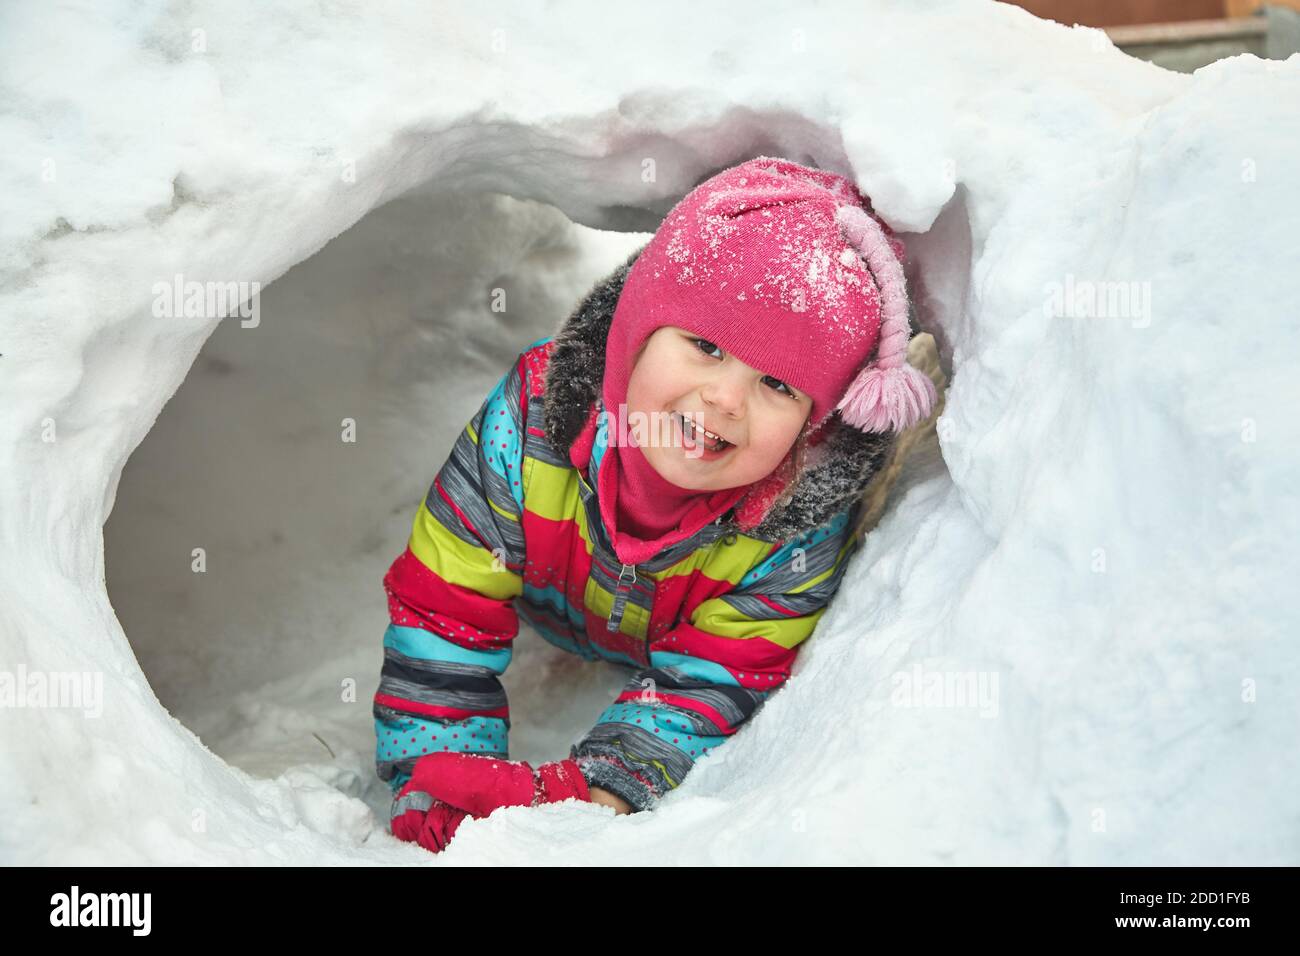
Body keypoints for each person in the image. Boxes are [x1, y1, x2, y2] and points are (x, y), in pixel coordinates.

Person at [374, 155, 938, 853]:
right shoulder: (528, 433)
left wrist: (594, 789)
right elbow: (446, 602)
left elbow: (711, 680)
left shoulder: (790, 531)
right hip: (556, 597)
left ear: (814, 427)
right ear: (635, 332)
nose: (725, 399)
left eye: (779, 387)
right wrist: (437, 767)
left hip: (662, 634)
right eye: (705, 346)